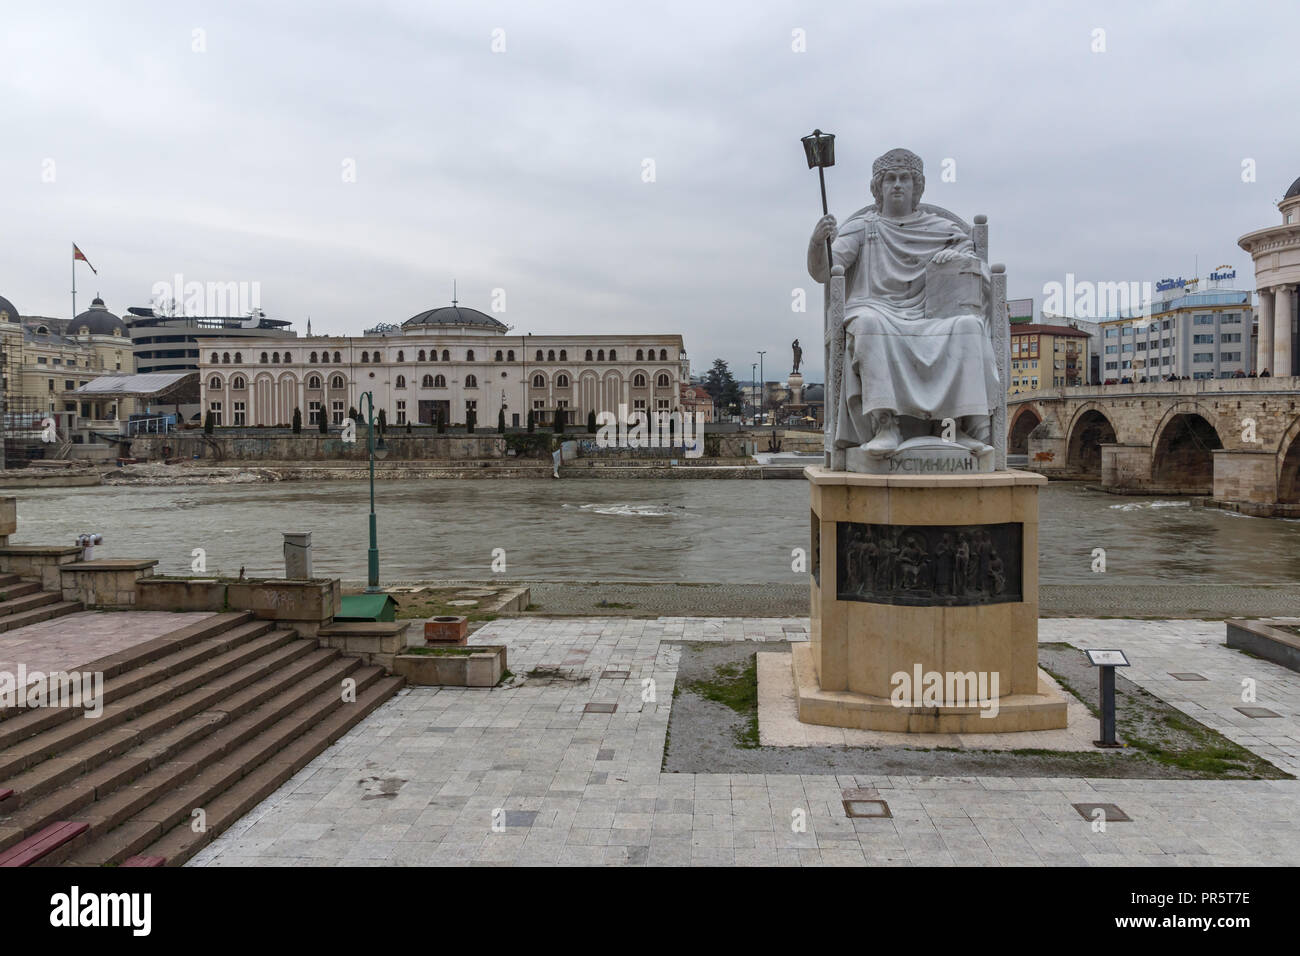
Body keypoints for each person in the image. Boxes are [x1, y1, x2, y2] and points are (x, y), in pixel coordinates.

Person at [808, 147, 999, 459]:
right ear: (878, 188)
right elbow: (824, 272)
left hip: (930, 316)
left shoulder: (939, 228)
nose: (897, 184)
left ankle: (951, 429)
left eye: (905, 179)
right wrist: (818, 242)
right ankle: (885, 425)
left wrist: (959, 256)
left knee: (967, 326)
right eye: (890, 179)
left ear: (917, 187)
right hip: (875, 308)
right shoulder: (863, 228)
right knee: (869, 326)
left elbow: (975, 264)